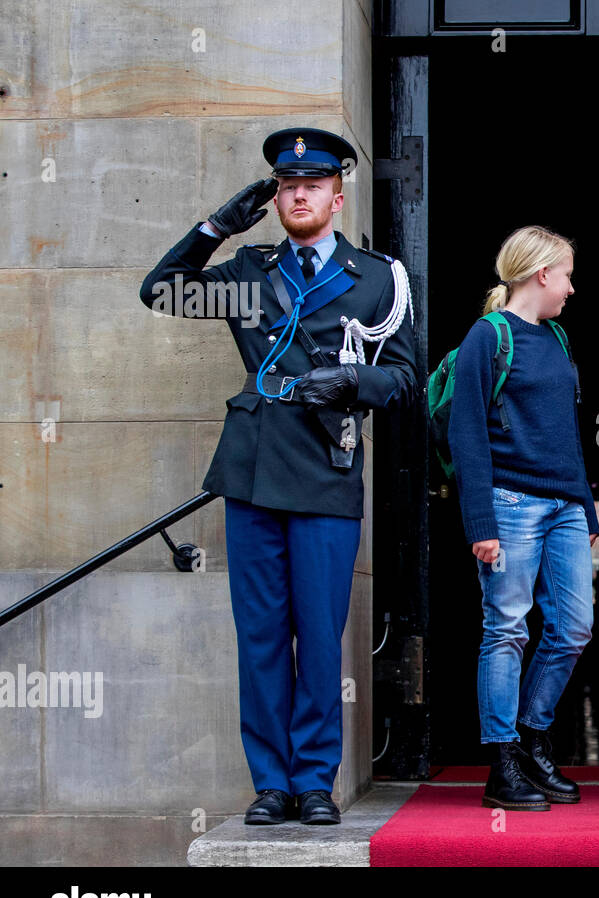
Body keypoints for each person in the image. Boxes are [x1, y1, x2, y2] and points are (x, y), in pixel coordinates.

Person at [139, 128, 417, 825]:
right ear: (275, 194)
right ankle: (271, 782)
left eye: (313, 184)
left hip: (326, 468)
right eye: (287, 185)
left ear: (336, 194)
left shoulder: (377, 275)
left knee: (319, 633)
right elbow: (161, 292)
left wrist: (352, 379)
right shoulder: (247, 270)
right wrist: (212, 228)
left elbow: (407, 380)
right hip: (254, 471)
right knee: (260, 633)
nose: (298, 193)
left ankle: (315, 779)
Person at [449, 226, 599, 812]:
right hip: (509, 505)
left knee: (574, 628)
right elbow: (467, 433)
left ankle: (534, 737)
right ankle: (503, 762)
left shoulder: (558, 336)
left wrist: (586, 505)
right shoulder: (488, 337)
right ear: (541, 275)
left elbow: (567, 433)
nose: (570, 286)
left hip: (565, 506)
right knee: (507, 628)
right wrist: (479, 523)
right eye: (565, 274)